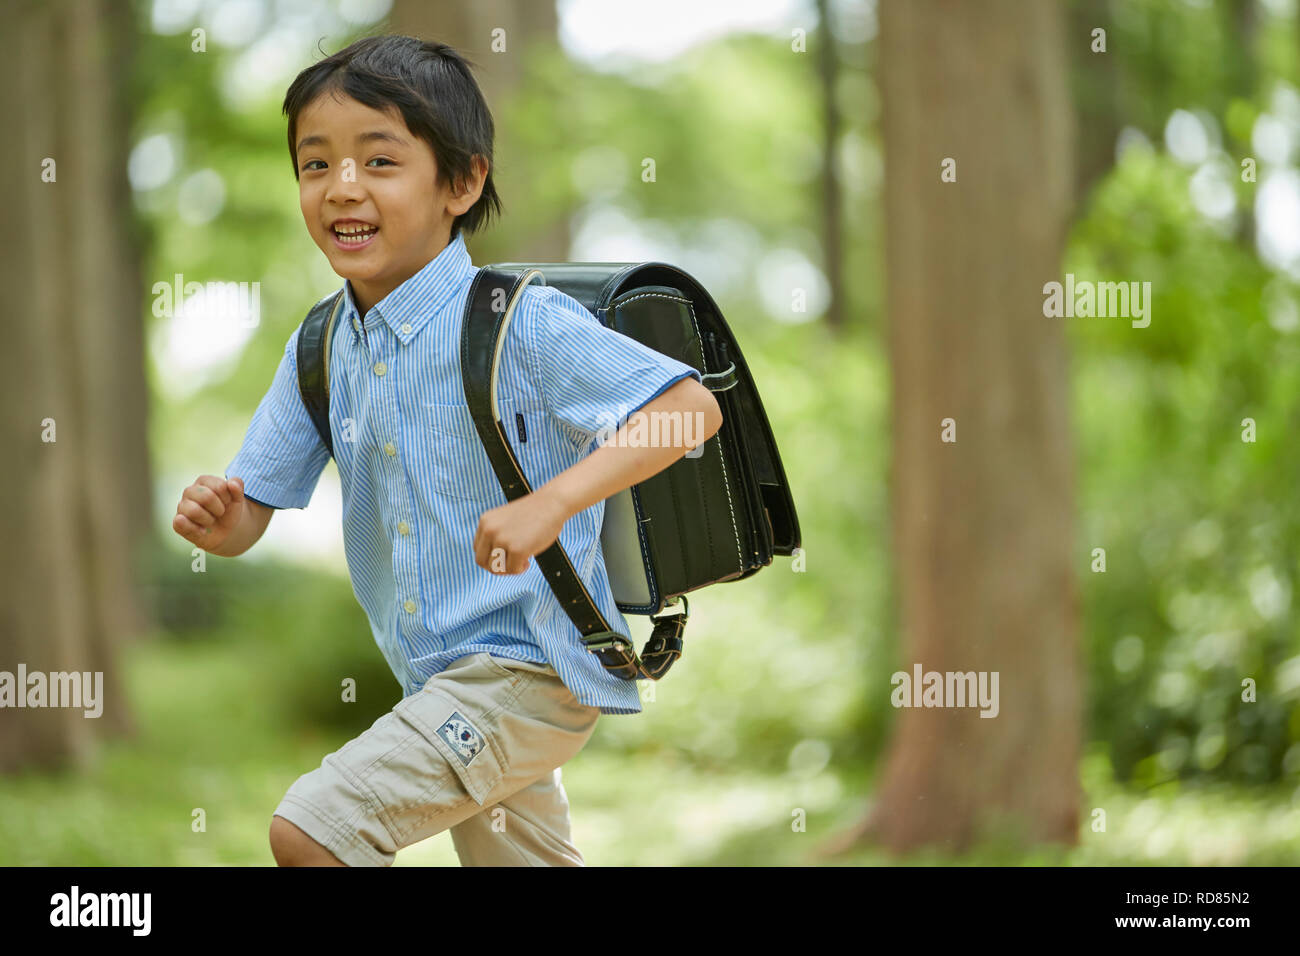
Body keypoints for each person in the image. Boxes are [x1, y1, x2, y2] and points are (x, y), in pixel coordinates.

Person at [171, 34, 721, 866]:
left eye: (379, 161)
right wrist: (223, 520)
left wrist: (552, 502)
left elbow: (691, 409)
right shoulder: (322, 342)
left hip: (526, 671)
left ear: (461, 182)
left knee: (315, 827)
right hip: (441, 680)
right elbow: (253, 509)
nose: (342, 187)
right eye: (315, 165)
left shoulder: (517, 322)